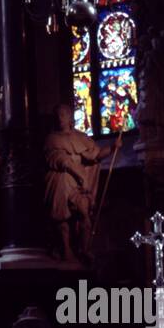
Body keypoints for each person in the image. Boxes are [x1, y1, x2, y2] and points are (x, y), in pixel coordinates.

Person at [43, 104, 115, 262]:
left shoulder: (81, 137)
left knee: (84, 213)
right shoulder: (52, 138)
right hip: (62, 179)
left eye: (63, 114)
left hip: (79, 181)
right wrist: (76, 171)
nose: (60, 118)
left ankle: (84, 249)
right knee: (62, 217)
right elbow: (59, 160)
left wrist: (112, 148)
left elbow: (95, 155)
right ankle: (66, 250)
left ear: (70, 118)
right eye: (58, 115)